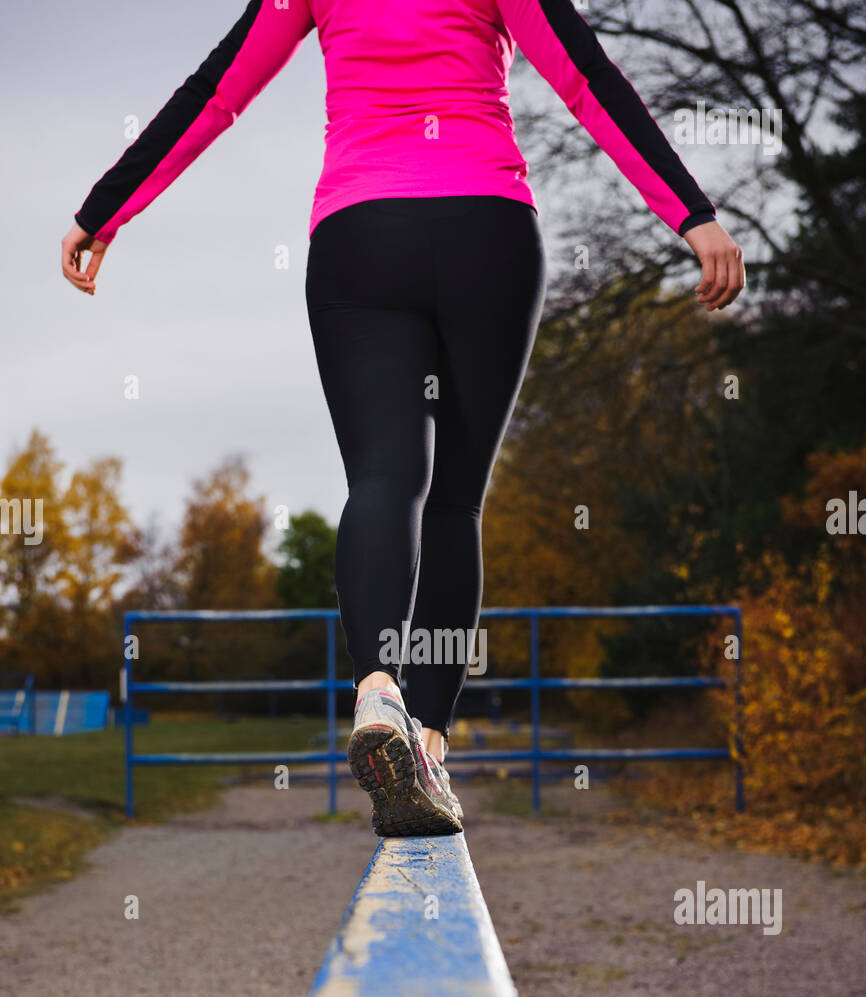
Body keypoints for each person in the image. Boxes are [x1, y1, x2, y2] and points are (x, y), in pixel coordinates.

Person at [62, 0, 745, 837]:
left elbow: (218, 92)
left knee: (386, 477)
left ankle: (377, 690)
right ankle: (428, 742)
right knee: (455, 501)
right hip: (484, 229)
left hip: (360, 235)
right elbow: (585, 77)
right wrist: (690, 211)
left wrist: (105, 208)